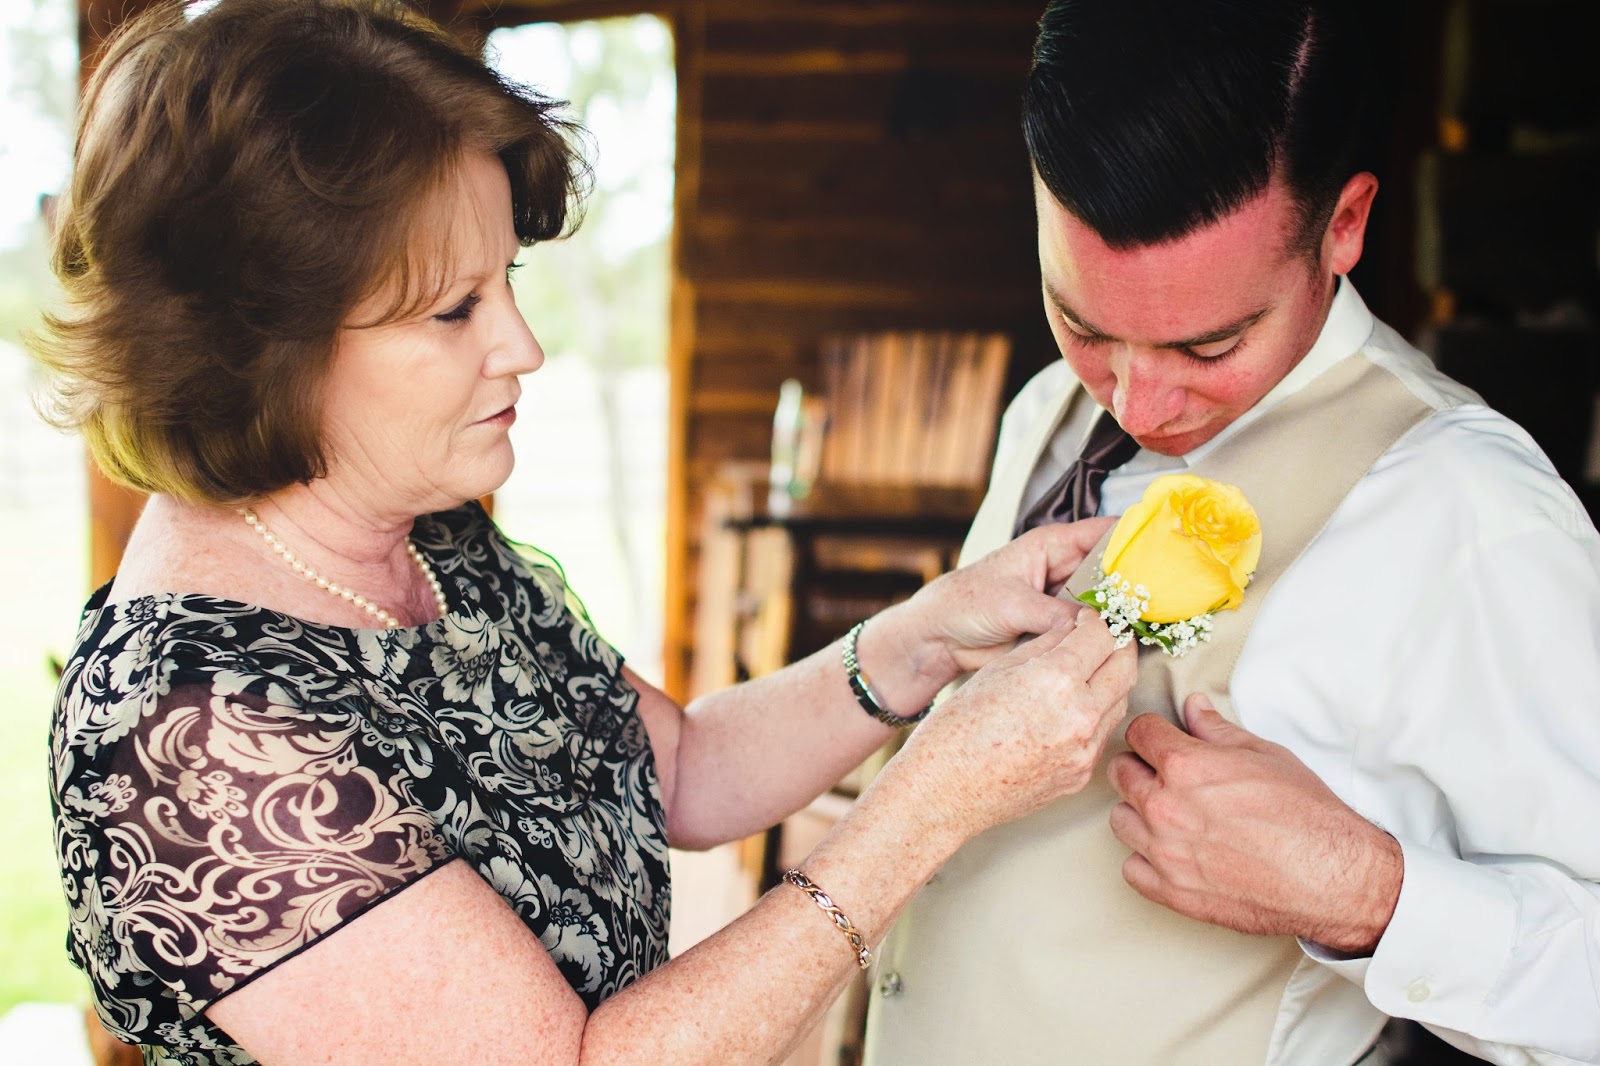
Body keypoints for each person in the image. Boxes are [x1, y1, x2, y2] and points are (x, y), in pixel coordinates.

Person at [33, 2, 1139, 1063]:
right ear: (259, 342)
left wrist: (926, 637)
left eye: (504, 279)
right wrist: (928, 803)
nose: (522, 344)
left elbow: (682, 768)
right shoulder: (191, 734)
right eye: (454, 309)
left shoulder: (428, 542)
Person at [862, 2, 1600, 1065]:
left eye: (1209, 346)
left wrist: (1368, 895)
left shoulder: (1470, 510)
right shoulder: (1044, 415)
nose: (1136, 402)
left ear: (1344, 224)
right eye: (1082, 323)